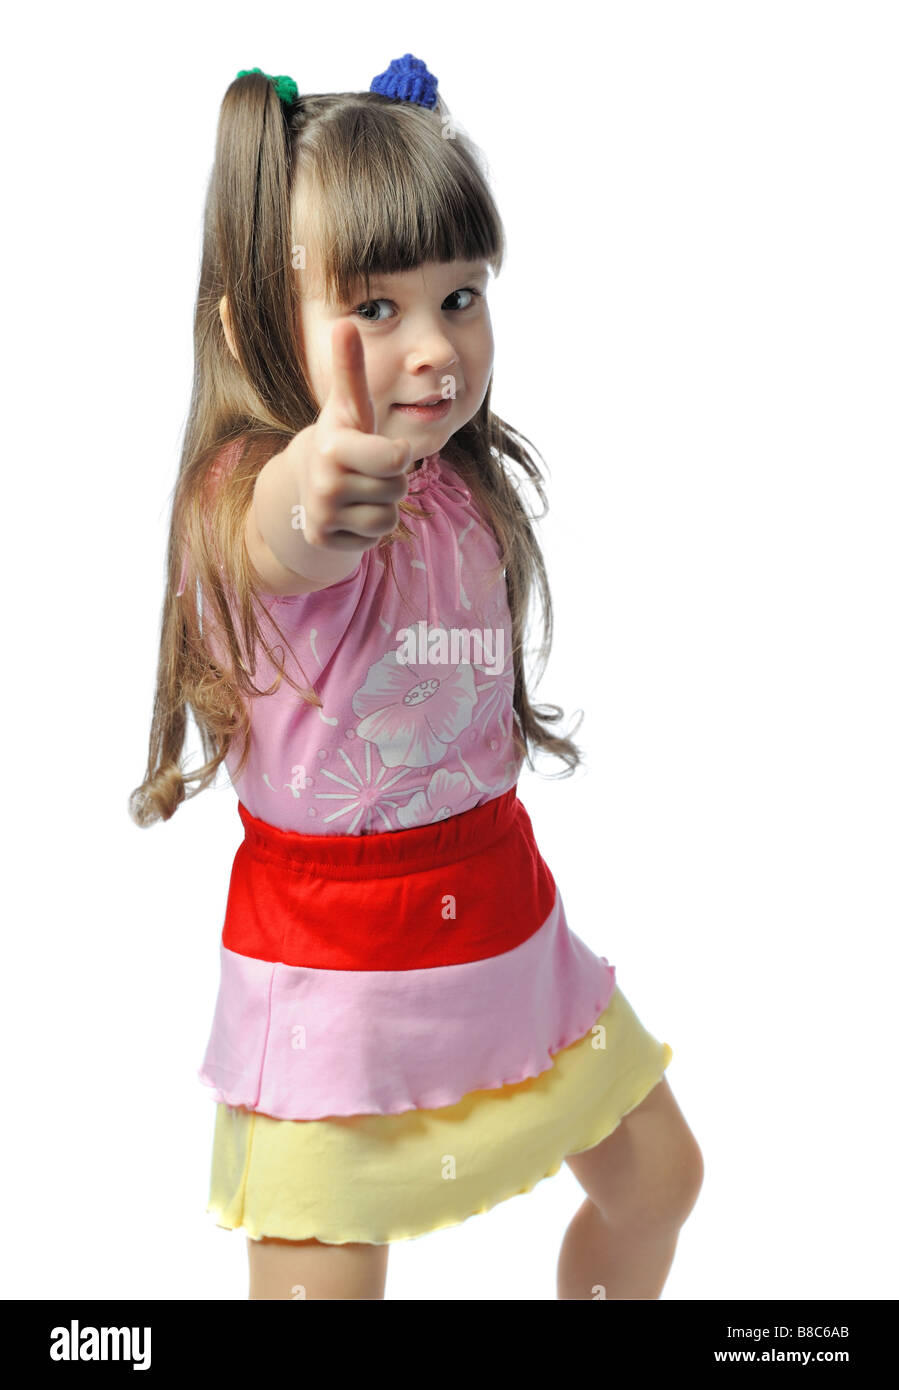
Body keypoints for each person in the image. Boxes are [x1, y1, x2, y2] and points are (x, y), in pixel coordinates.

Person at [129, 54, 703, 1301]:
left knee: (655, 1176)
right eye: (374, 310)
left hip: (499, 913)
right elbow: (286, 534)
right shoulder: (255, 499)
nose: (436, 348)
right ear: (250, 323)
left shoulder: (455, 485)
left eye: (460, 295)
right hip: (336, 976)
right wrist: (318, 490)